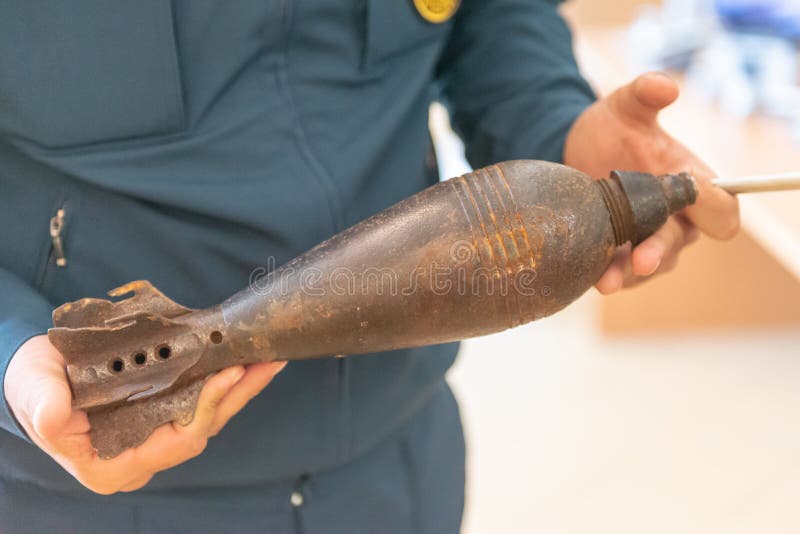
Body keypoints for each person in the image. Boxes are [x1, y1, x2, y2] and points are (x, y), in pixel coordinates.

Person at [0, 1, 738, 532]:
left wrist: (555, 123)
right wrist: (10, 348)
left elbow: (488, 19)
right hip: (87, 485)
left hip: (398, 464)